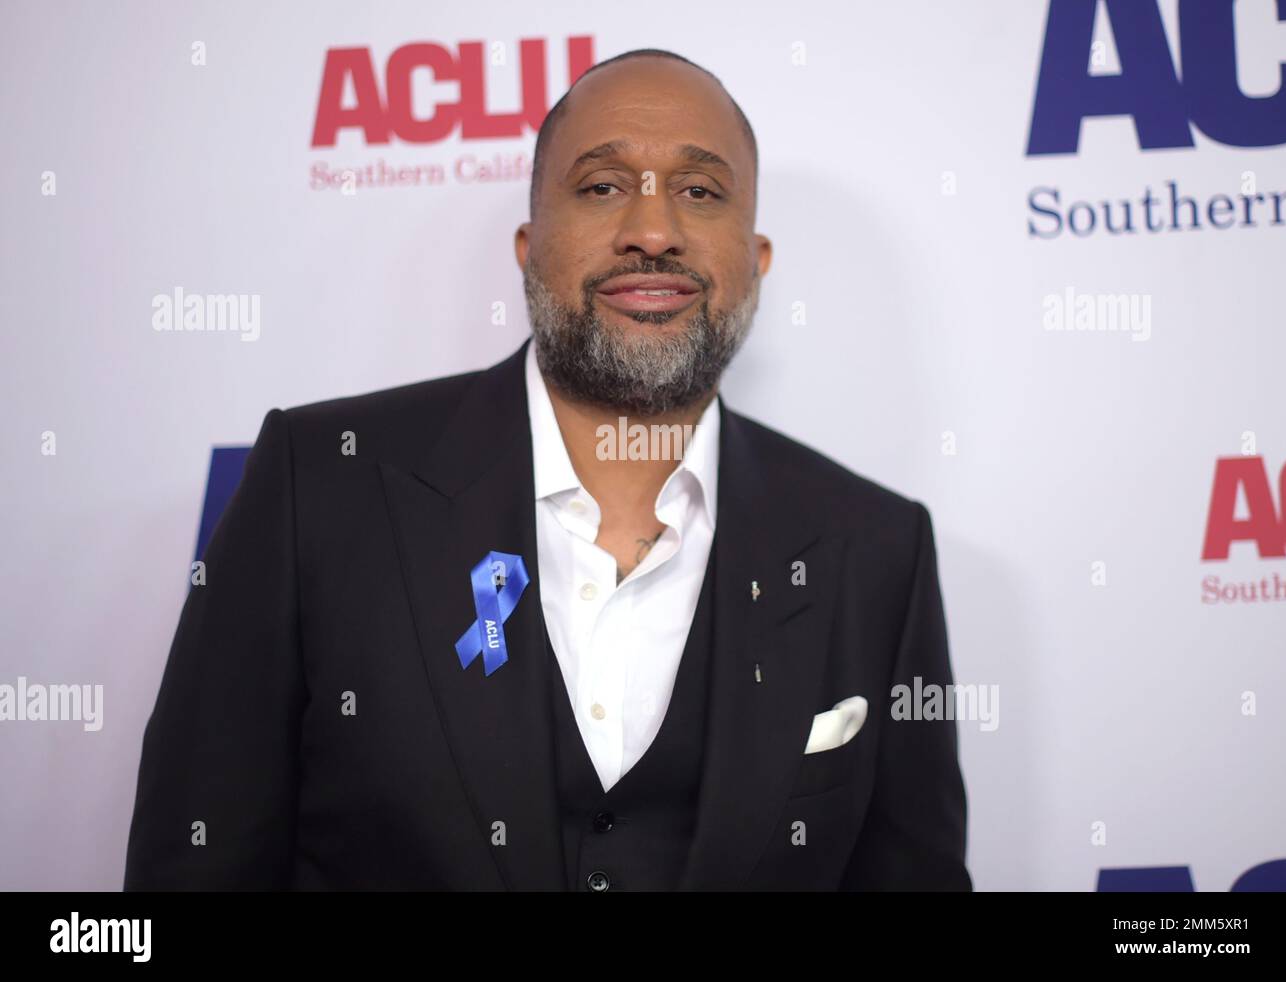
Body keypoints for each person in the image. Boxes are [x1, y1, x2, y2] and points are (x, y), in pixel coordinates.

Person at [124, 48, 972, 891]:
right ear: (529, 248)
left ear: (757, 260)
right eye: (603, 186)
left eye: (701, 191)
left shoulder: (877, 548)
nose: (653, 230)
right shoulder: (322, 487)